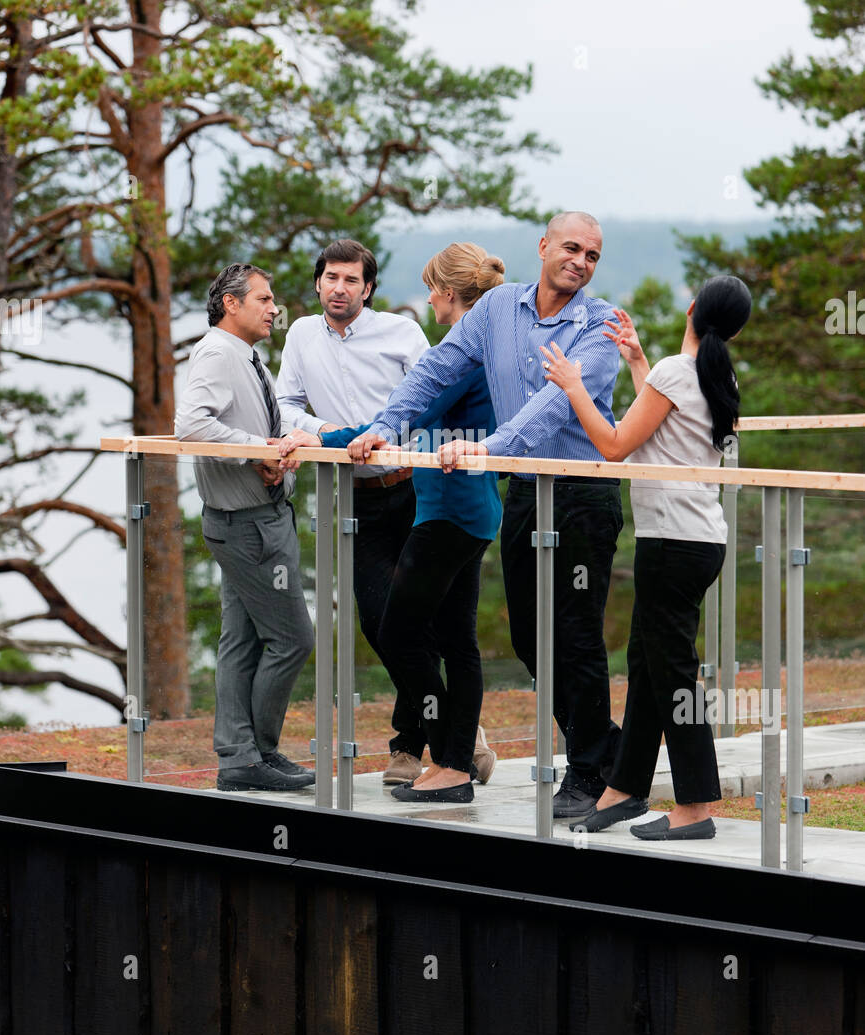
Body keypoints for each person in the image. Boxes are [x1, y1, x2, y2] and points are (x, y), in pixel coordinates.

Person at [346, 212, 624, 817]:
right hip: (525, 493)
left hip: (580, 497)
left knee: (574, 637)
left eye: (593, 256)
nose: (580, 261)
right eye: (571, 248)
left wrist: (488, 448)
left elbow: (552, 409)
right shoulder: (498, 310)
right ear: (544, 246)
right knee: (529, 639)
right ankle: (604, 752)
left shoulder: (600, 325)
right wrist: (384, 426)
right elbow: (435, 370)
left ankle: (587, 771)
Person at [281, 244, 504, 801]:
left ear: (450, 294)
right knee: (454, 639)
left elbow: (405, 418)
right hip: (457, 506)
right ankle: (454, 759)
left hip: (445, 508)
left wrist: (325, 439)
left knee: (402, 630)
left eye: (432, 288)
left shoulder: (458, 351)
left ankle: (447, 753)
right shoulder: (477, 344)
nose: (426, 298)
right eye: (329, 277)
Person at [538, 274, 753, 839]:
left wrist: (572, 385)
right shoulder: (712, 374)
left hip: (672, 544)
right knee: (649, 663)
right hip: (698, 540)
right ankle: (623, 788)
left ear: (690, 308)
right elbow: (665, 423)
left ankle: (696, 806)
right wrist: (637, 361)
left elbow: (613, 447)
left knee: (673, 672)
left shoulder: (677, 373)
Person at [275, 239, 436, 786]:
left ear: (368, 289)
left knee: (414, 618)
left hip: (415, 489)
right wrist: (326, 435)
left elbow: (434, 401)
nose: (339, 288)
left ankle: (410, 747)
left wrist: (379, 436)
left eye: (350, 280)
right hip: (357, 497)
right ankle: (455, 724)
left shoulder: (403, 334)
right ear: (318, 283)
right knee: (377, 620)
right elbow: (286, 406)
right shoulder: (299, 334)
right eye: (330, 278)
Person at [175, 263, 315, 793]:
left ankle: (242, 757)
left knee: (241, 642)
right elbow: (191, 425)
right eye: (264, 298)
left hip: (252, 519)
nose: (274, 307)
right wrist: (259, 451)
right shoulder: (217, 352)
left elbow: (244, 429)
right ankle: (254, 753)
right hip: (249, 526)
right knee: (292, 638)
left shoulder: (245, 355)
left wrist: (275, 449)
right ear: (231, 304)